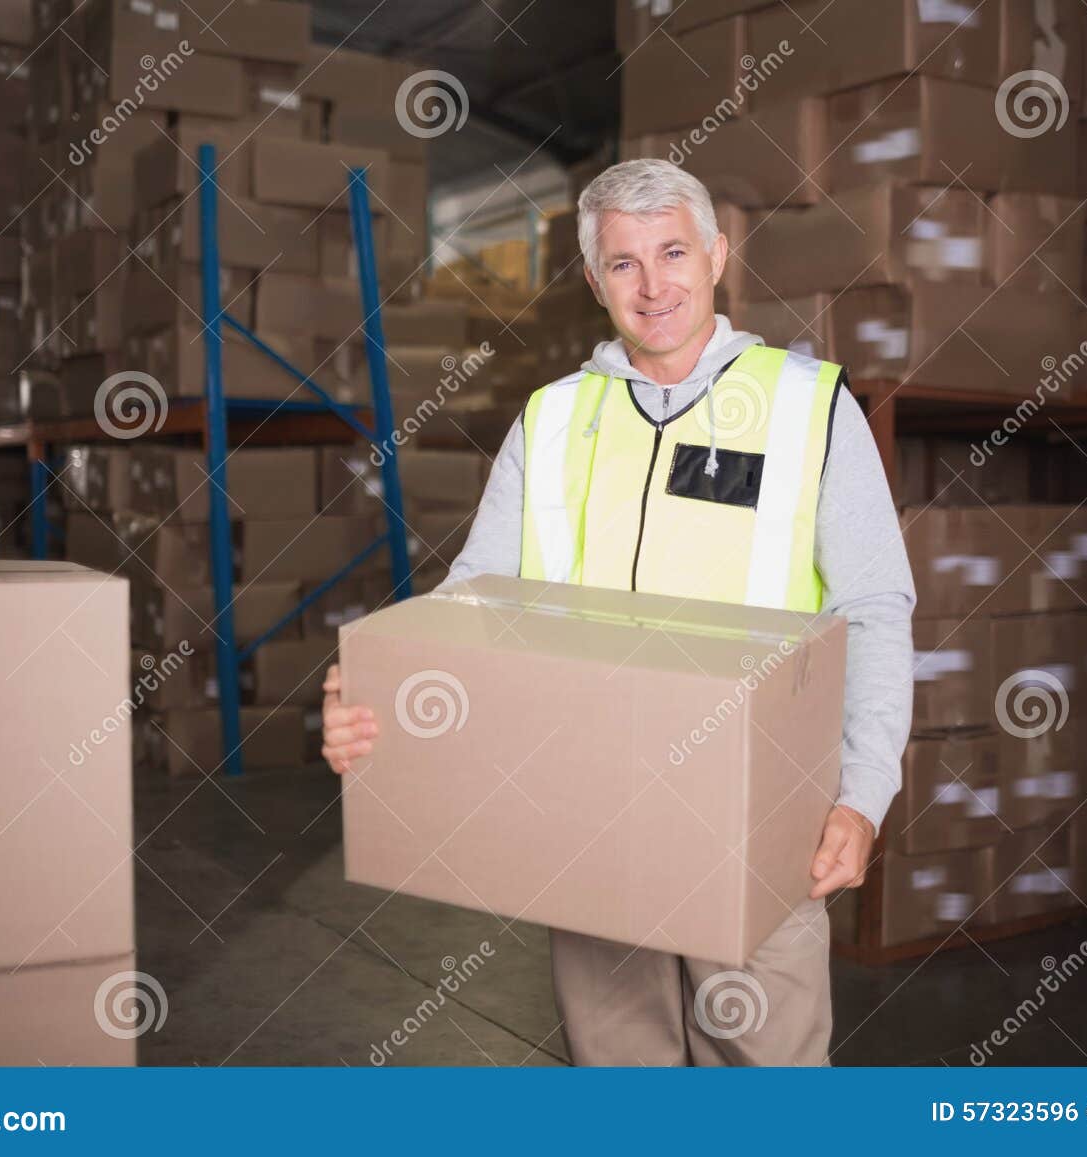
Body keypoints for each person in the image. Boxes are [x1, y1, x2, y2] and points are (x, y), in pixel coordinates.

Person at [321, 158, 914, 1066]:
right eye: (624, 263)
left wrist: (864, 794)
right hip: (589, 815)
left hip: (758, 816)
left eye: (673, 252)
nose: (653, 285)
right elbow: (475, 602)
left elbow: (874, 608)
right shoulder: (552, 420)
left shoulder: (808, 408)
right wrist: (378, 690)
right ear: (595, 280)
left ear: (717, 254)